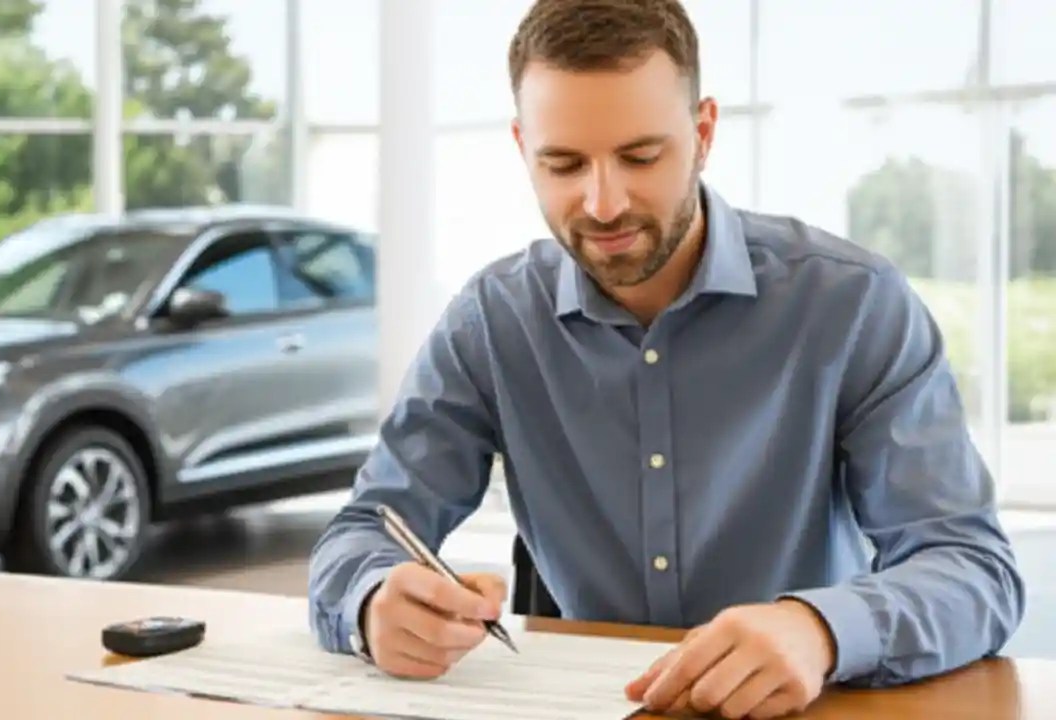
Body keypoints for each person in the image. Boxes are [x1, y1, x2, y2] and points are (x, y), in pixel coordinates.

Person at [307, 0, 1026, 717]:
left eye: (640, 156)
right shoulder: (491, 322)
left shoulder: (852, 304)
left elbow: (973, 570)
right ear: (523, 146)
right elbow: (365, 531)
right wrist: (373, 601)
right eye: (562, 163)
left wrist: (821, 630)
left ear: (704, 132)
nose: (603, 202)